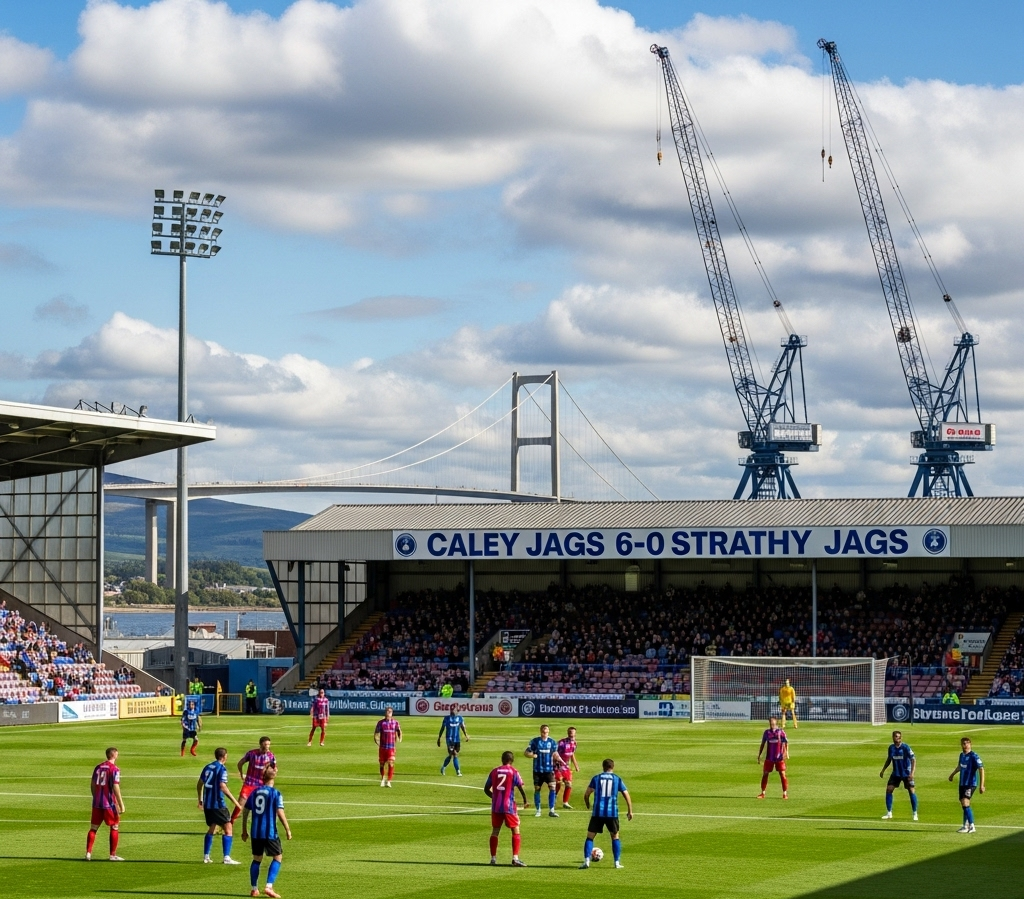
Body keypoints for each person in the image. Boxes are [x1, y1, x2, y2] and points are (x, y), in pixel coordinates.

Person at [241, 767, 292, 898]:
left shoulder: (255, 792)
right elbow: (280, 812)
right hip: (269, 832)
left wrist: (244, 830)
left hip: (255, 832)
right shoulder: (275, 793)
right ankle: (269, 886)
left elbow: (246, 810)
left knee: (256, 859)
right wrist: (287, 829)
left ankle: (254, 889)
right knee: (278, 857)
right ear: (273, 778)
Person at [579, 758, 632, 870]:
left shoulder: (596, 778)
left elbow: (587, 794)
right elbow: (626, 794)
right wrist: (629, 810)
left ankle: (587, 861)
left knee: (590, 837)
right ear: (613, 767)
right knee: (615, 837)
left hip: (597, 812)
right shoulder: (617, 779)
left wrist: (588, 804)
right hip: (612, 813)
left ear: (603, 767)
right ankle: (617, 863)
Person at [483, 750, 528, 867]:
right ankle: (515, 858)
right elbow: (520, 786)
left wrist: (494, 797)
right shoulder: (513, 772)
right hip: (509, 806)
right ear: (512, 760)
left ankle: (493, 858)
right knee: (515, 830)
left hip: (496, 807)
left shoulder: (494, 771)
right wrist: (525, 800)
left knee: (495, 831)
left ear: (502, 760)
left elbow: (486, 789)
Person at [198, 747, 242, 864]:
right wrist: (235, 802)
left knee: (212, 828)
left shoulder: (208, 767)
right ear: (224, 756)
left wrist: (200, 799)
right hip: (218, 804)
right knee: (228, 828)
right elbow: (222, 786)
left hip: (208, 804)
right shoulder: (222, 769)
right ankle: (226, 857)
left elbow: (199, 783)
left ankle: (206, 856)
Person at [87, 747, 125, 861]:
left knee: (93, 828)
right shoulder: (114, 769)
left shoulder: (98, 767)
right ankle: (112, 855)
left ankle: (88, 853)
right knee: (114, 826)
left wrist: (96, 797)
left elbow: (92, 784)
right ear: (115, 755)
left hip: (97, 803)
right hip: (109, 804)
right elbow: (115, 786)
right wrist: (121, 803)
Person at [232, 737, 277, 823]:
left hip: (262, 785)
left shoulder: (271, 756)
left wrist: (271, 777)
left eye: (269, 744)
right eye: (265, 744)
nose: (267, 746)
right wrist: (241, 774)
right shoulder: (252, 753)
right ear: (260, 744)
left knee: (264, 806)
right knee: (240, 804)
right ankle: (231, 822)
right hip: (249, 783)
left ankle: (263, 824)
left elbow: (275, 770)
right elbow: (240, 763)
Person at [525, 723, 563, 817]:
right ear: (540, 732)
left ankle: (552, 810)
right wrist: (532, 755)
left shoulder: (552, 742)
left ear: (548, 732)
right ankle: (538, 810)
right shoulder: (535, 741)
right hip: (537, 770)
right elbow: (526, 753)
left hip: (549, 770)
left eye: (546, 731)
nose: (545, 733)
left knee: (552, 787)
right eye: (543, 731)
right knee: (537, 789)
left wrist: (560, 760)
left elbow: (555, 754)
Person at [948, 737, 985, 833]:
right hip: (962, 783)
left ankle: (972, 826)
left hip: (971, 783)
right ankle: (965, 826)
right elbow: (960, 766)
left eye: (966, 743)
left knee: (965, 802)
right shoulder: (961, 755)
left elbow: (981, 769)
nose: (965, 745)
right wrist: (952, 774)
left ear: (970, 744)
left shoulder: (974, 756)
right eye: (963, 743)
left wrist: (982, 785)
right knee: (964, 804)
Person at [880, 730, 918, 821]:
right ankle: (889, 813)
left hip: (906, 773)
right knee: (889, 789)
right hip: (896, 773)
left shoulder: (905, 747)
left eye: (899, 736)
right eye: (896, 736)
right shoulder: (891, 748)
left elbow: (913, 760)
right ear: (893, 737)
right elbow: (889, 759)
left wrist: (912, 773)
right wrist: (883, 770)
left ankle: (915, 813)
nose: (898, 738)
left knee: (911, 791)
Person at [757, 716, 789, 799]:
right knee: (765, 774)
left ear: (776, 722)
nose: (771, 724)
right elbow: (763, 744)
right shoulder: (767, 733)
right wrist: (759, 755)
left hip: (779, 757)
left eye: (773, 723)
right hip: (769, 757)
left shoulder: (781, 732)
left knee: (782, 774)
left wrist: (787, 752)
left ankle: (785, 793)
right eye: (770, 723)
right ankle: (762, 793)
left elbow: (786, 742)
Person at [374, 706, 402, 787]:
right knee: (382, 764)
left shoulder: (395, 722)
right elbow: (376, 733)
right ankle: (383, 778)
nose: (388, 712)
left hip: (391, 748)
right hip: (382, 748)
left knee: (391, 763)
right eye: (387, 711)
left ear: (392, 713)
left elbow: (399, 731)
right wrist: (377, 741)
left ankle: (389, 781)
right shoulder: (381, 723)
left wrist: (400, 738)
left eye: (390, 711)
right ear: (385, 712)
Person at [555, 726, 581, 809]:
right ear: (567, 733)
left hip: (566, 766)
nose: (571, 734)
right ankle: (553, 798)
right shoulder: (561, 743)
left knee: (569, 784)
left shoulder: (575, 743)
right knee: (558, 782)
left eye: (572, 732)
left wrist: (576, 765)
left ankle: (565, 802)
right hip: (557, 765)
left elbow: (571, 754)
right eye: (570, 732)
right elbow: (554, 752)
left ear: (575, 734)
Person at [438, 709, 469, 775]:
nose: (452, 711)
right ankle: (458, 771)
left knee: (451, 755)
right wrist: (439, 738)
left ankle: (443, 767)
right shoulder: (446, 718)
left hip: (457, 740)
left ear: (457, 711)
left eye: (454, 710)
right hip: (449, 739)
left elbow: (462, 727)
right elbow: (442, 728)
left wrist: (466, 735)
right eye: (451, 710)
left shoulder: (460, 718)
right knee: (455, 754)